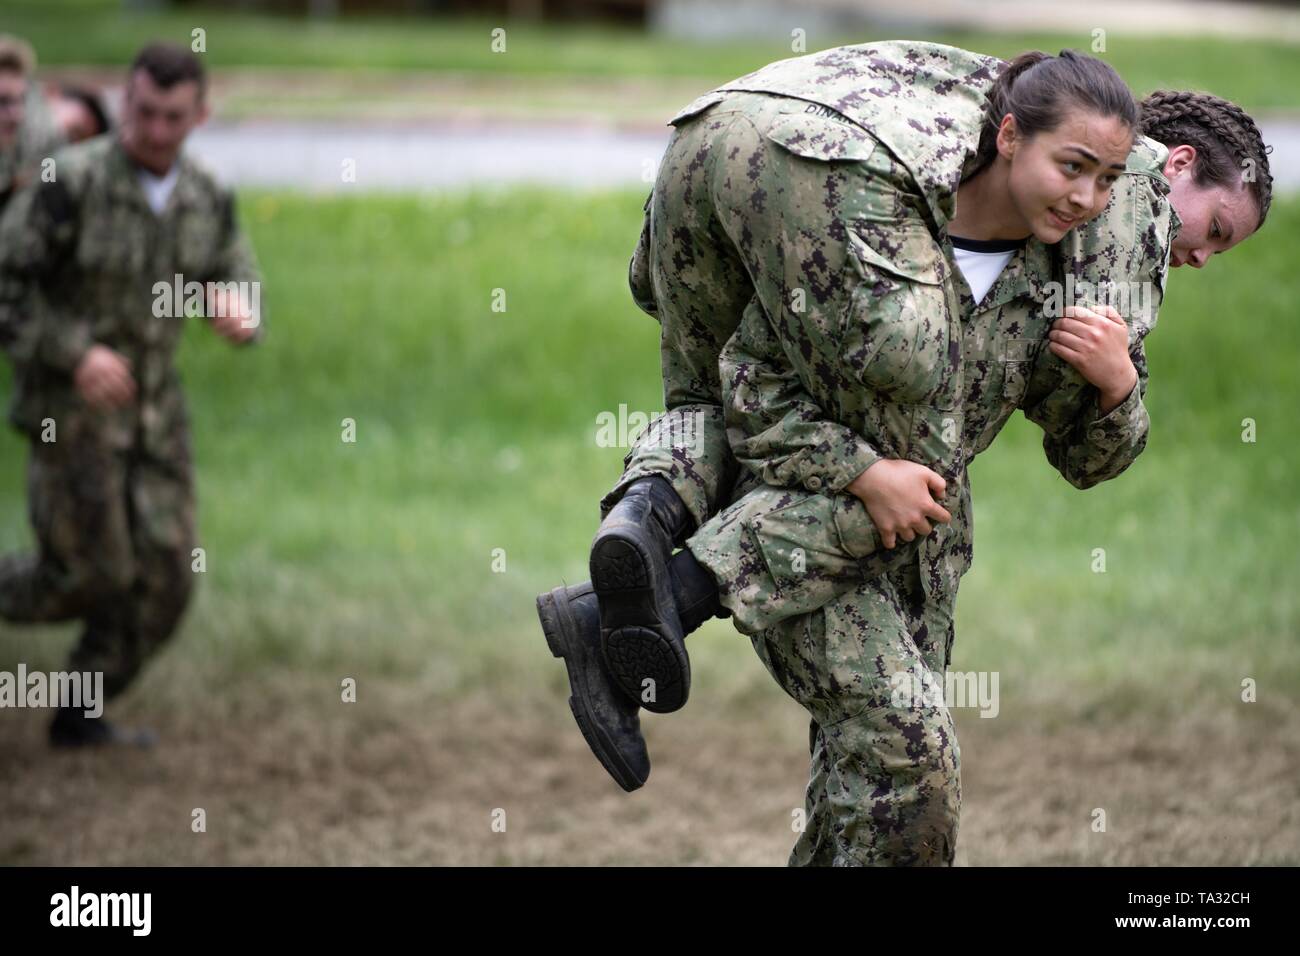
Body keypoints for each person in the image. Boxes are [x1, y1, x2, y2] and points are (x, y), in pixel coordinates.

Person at [538, 41, 1138, 791]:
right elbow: (756, 389)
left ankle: (642, 526)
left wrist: (1119, 389)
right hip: (764, 167)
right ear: (1009, 136)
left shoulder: (1066, 278)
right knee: (916, 480)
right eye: (1072, 167)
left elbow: (1087, 457)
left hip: (703, 135)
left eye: (1108, 180)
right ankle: (650, 600)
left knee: (702, 406)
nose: (1088, 199)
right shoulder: (875, 225)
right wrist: (862, 471)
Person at [0, 43, 263, 748]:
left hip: (155, 417)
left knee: (168, 581)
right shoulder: (70, 182)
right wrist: (73, 352)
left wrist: (238, 308)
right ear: (126, 99)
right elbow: (7, 284)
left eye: (171, 116)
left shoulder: (206, 194)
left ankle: (80, 711)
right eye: (142, 111)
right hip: (73, 415)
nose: (151, 130)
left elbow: (233, 271)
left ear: (199, 115)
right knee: (87, 575)